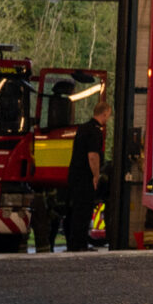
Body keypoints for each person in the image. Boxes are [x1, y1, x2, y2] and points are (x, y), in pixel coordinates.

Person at [65, 95, 110, 252]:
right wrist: (96, 176)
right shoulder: (95, 131)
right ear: (104, 114)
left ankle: (74, 244)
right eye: (108, 116)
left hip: (75, 177)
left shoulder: (82, 128)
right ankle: (80, 245)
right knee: (84, 213)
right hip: (85, 179)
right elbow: (93, 156)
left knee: (76, 211)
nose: (108, 119)